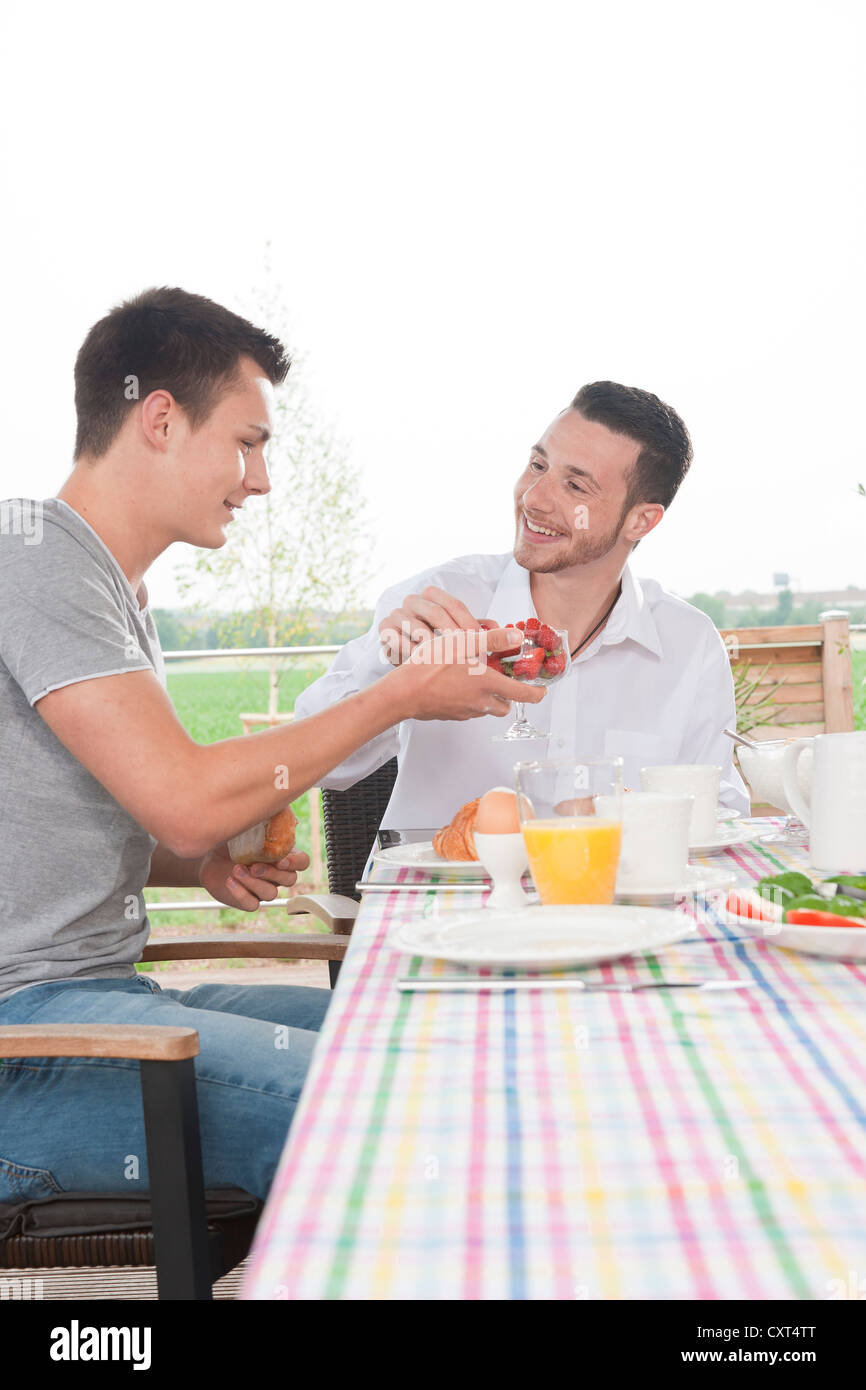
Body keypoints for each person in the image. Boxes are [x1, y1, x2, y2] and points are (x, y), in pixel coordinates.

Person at [0, 287, 539, 1204]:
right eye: (248, 443)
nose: (261, 479)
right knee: (404, 1115)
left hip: (100, 1005)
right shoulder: (33, 555)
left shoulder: (110, 587)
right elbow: (185, 794)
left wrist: (193, 865)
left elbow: (80, 825)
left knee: (433, 1037)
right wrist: (399, 693)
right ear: (160, 419)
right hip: (33, 1048)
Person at [296, 381, 749, 826]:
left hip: (614, 896)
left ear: (641, 520)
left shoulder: (689, 644)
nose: (533, 499)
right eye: (537, 465)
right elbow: (314, 768)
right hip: (442, 896)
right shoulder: (437, 601)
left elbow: (720, 811)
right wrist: (391, 672)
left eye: (575, 486)